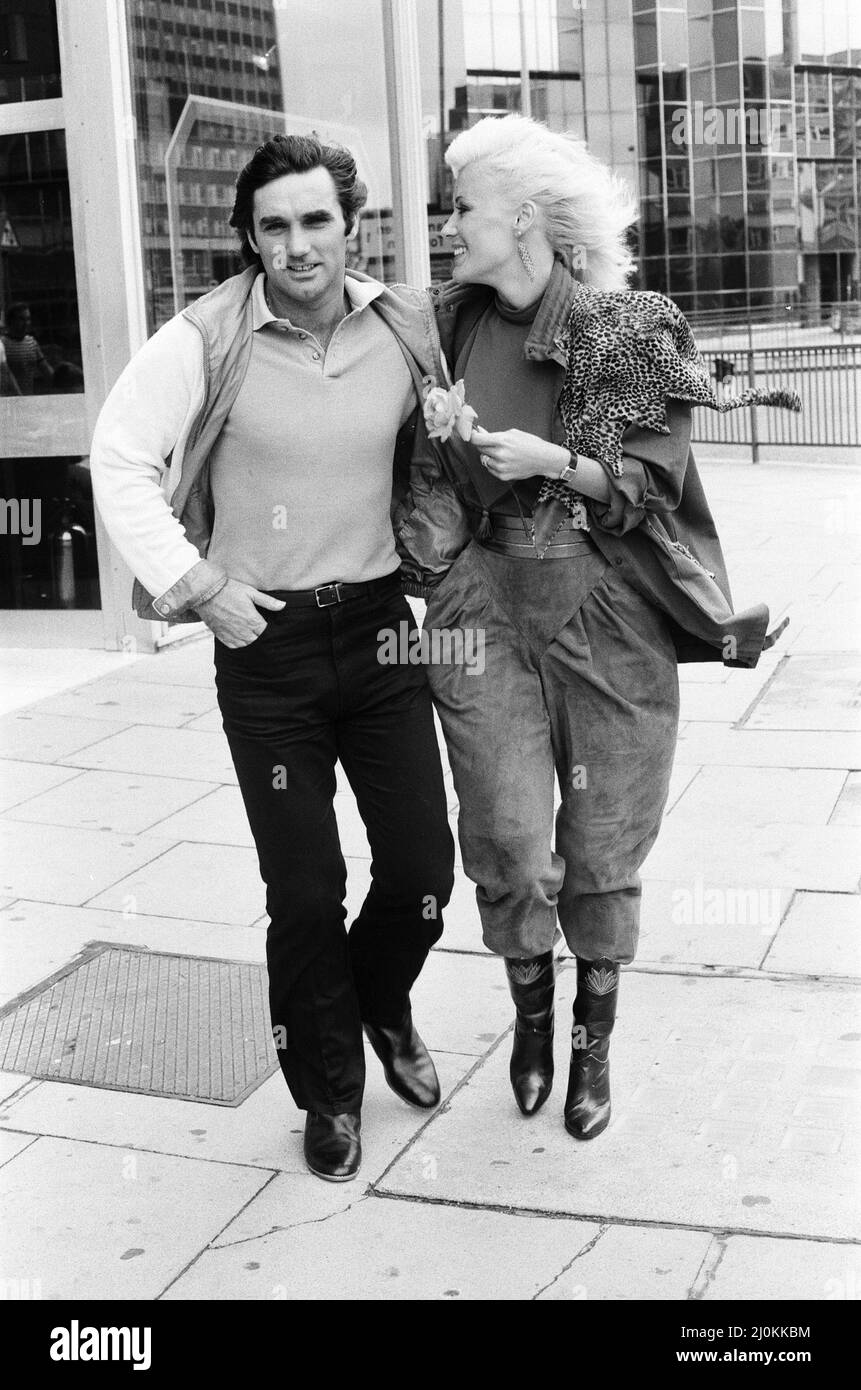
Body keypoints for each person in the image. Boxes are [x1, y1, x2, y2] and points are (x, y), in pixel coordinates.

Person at [395, 115, 794, 1141]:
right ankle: (531, 1016)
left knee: (605, 843)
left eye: (463, 207)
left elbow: (647, 482)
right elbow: (404, 451)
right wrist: (441, 478)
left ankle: (588, 1043)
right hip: (481, 605)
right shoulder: (445, 321)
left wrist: (553, 462)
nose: (449, 227)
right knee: (511, 841)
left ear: (525, 217)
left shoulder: (626, 325)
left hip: (607, 605)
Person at [91, 133, 455, 1182]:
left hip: (384, 628)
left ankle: (377, 997)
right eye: (274, 227)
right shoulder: (205, 338)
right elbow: (118, 457)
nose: (298, 246)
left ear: (352, 222)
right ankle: (330, 1089)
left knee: (425, 872)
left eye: (315, 221)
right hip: (270, 645)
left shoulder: (402, 325)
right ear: (249, 240)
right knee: (304, 887)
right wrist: (197, 583)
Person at [1, 304, 53, 394]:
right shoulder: (2, 344)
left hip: (28, 395)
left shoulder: (31, 343)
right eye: (21, 319)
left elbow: (45, 369)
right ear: (11, 321)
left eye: (28, 319)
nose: (26, 323)